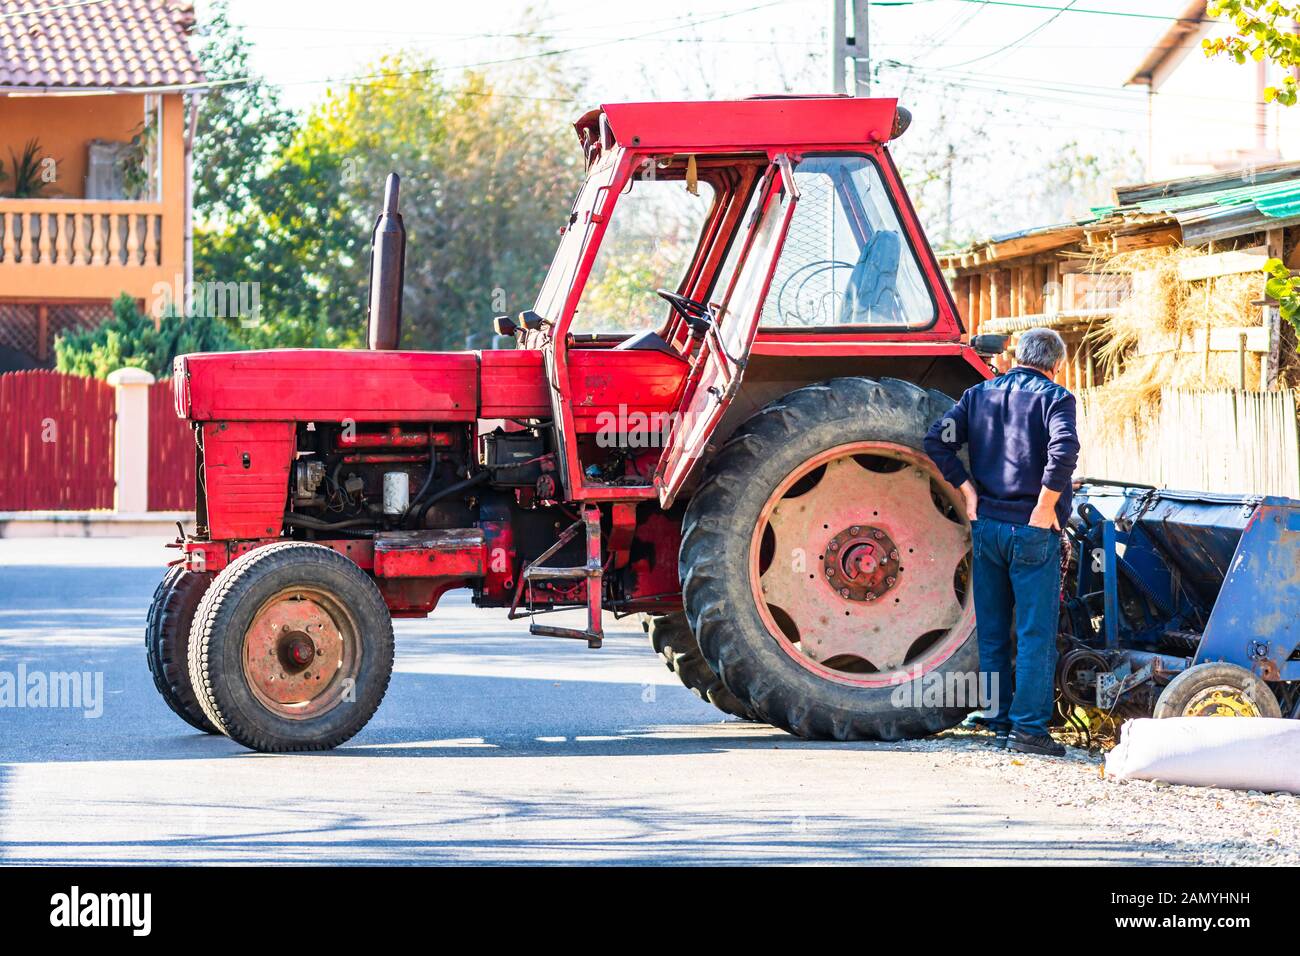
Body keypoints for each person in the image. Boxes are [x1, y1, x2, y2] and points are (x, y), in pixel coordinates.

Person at [923, 328, 1079, 757]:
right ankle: (1028, 730)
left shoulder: (979, 395)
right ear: (1056, 364)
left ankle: (999, 721)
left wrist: (968, 492)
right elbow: (1064, 451)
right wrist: (1045, 508)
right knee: (1034, 633)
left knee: (992, 631)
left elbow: (936, 441)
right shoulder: (1056, 398)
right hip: (1031, 530)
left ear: (1017, 357)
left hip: (987, 526)